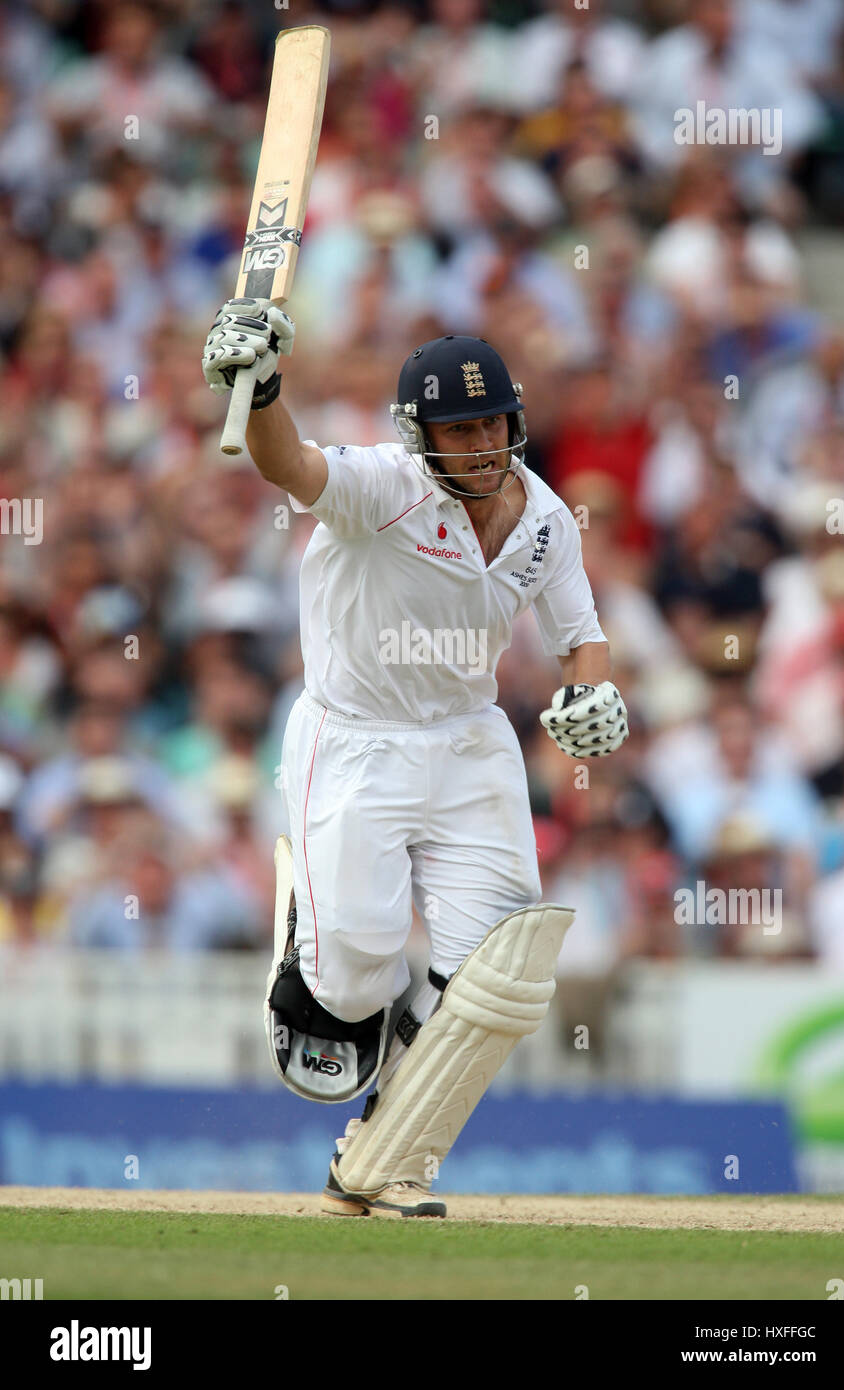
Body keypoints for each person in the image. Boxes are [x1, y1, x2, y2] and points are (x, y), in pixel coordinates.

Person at [201, 298, 629, 1216]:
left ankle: (384, 1155)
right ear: (419, 434)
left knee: (493, 980)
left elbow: (580, 638)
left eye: (494, 423)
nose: (480, 444)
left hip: (471, 745)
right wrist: (262, 385)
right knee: (357, 973)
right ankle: (311, 938)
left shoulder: (546, 518)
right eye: (459, 427)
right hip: (353, 741)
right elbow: (290, 461)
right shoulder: (381, 487)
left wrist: (593, 692)